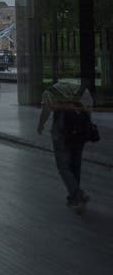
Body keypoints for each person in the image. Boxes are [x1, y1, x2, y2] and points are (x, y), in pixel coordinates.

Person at [37, 80, 94, 214]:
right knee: (75, 164)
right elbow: (89, 107)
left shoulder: (50, 92)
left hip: (61, 132)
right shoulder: (82, 90)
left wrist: (40, 125)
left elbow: (46, 111)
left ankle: (77, 194)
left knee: (63, 166)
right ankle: (75, 197)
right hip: (80, 132)